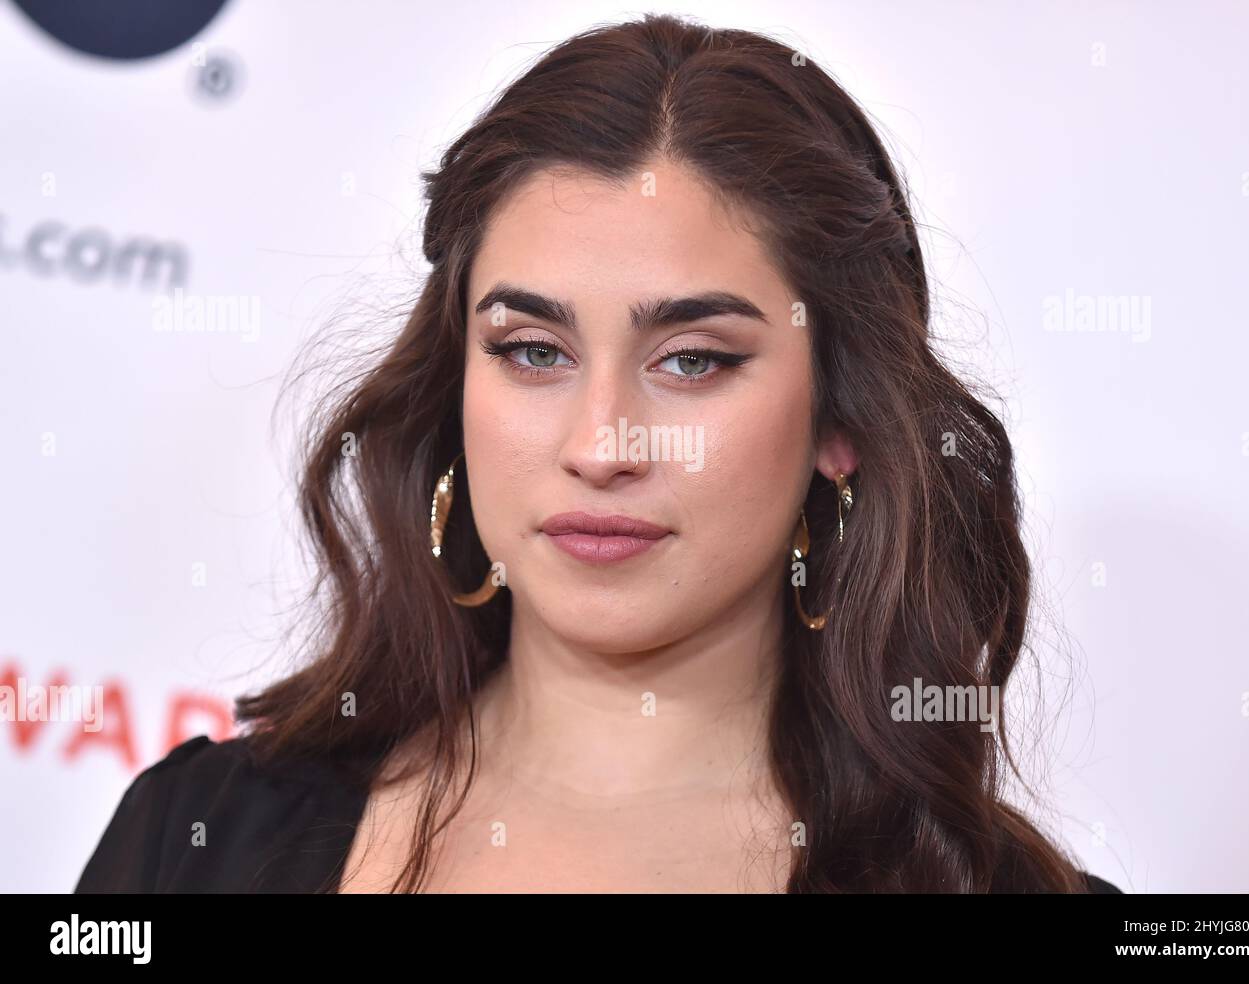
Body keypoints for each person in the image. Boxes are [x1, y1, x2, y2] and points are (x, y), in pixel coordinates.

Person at [75, 12, 1122, 894]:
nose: (601, 444)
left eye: (694, 362)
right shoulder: (199, 838)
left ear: (840, 424)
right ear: (457, 384)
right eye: (533, 351)